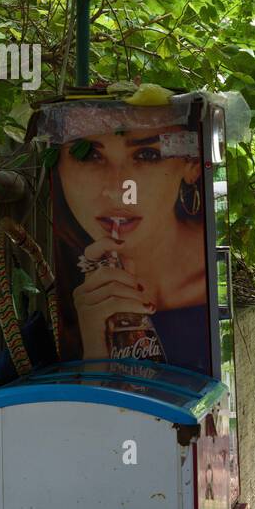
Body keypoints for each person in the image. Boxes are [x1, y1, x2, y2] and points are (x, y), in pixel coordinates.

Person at [52, 121, 211, 372]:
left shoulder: (215, 278)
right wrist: (96, 349)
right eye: (91, 155)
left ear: (191, 164)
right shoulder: (51, 282)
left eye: (147, 155)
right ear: (58, 166)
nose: (116, 191)